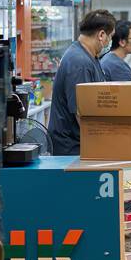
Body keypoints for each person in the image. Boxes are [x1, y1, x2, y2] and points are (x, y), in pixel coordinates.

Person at [48, 9, 116, 157]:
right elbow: (82, 112)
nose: (109, 42)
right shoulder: (80, 63)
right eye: (110, 37)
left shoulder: (90, 56)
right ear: (101, 35)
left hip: (79, 143)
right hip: (71, 148)